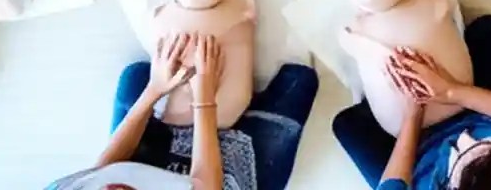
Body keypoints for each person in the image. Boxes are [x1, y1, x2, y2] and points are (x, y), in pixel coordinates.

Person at [332, 15, 491, 189]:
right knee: (487, 30)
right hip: (482, 115)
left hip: (422, 157)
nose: (464, 138)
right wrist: (451, 90)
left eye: (462, 158)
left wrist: (411, 117)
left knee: (347, 124)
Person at [49, 33, 319, 190]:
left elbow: (102, 172)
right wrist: (203, 97)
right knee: (300, 81)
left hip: (144, 172)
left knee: (137, 75)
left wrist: (154, 90)